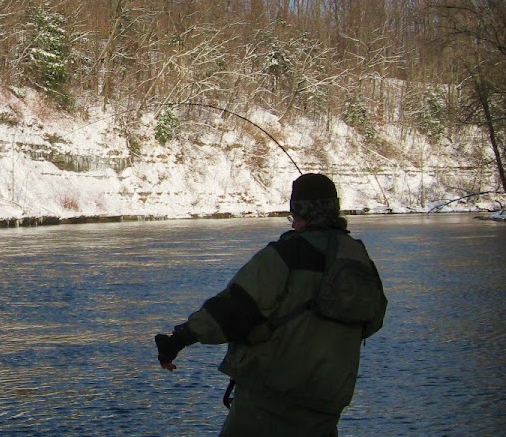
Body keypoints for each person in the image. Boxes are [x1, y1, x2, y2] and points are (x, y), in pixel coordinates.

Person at [154, 173, 387, 436]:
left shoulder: (288, 253)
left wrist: (178, 338)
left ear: (300, 213)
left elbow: (233, 309)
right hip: (328, 399)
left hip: (271, 397)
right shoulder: (358, 256)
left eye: (294, 215)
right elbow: (373, 320)